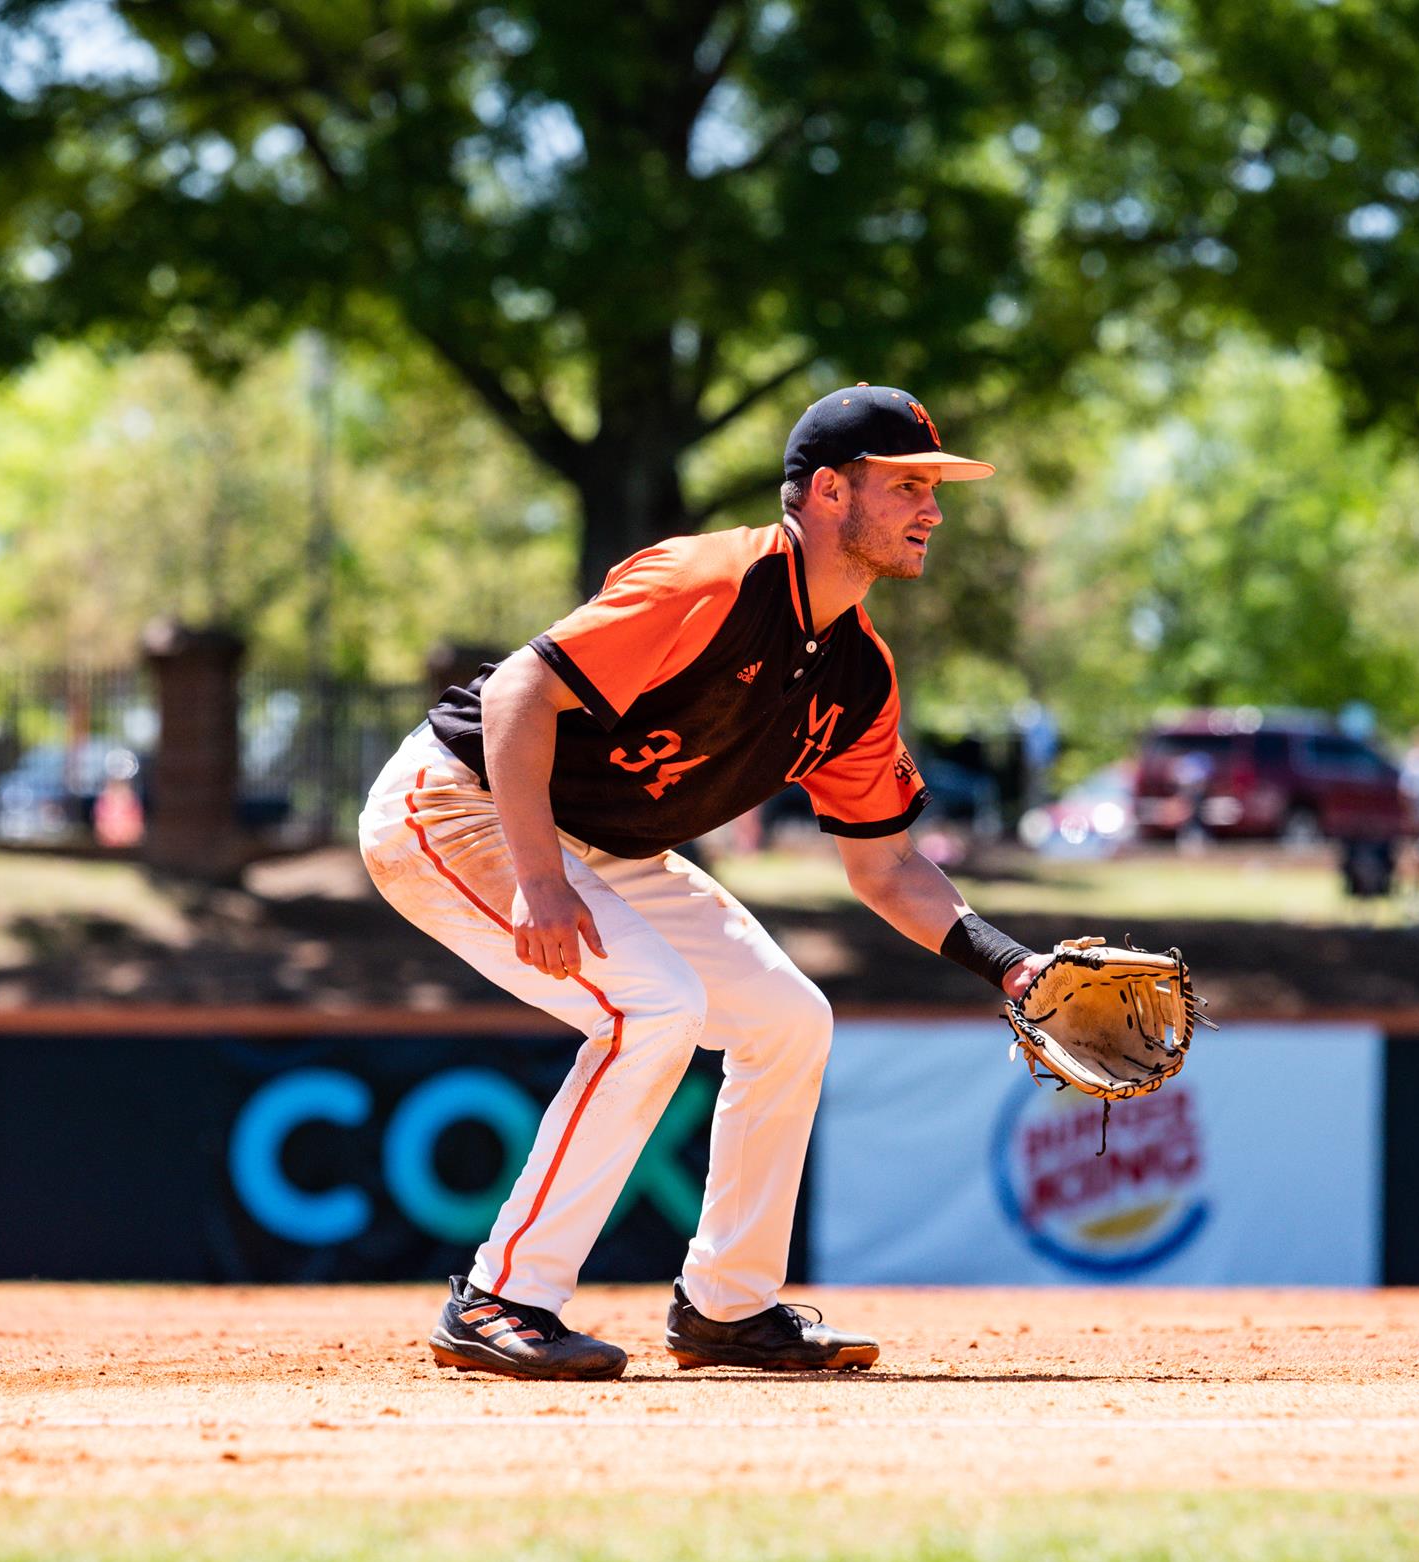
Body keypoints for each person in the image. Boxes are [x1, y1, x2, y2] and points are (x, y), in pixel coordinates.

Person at [357, 385, 1050, 1381]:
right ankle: (499, 1298)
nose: (931, 508)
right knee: (654, 1007)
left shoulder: (858, 675)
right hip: (462, 803)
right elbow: (518, 691)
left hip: (607, 841)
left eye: (931, 487)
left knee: (786, 1019)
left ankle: (726, 1306)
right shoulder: (711, 579)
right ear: (826, 491)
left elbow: (885, 865)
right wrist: (540, 879)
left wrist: (1011, 967)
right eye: (906, 485)